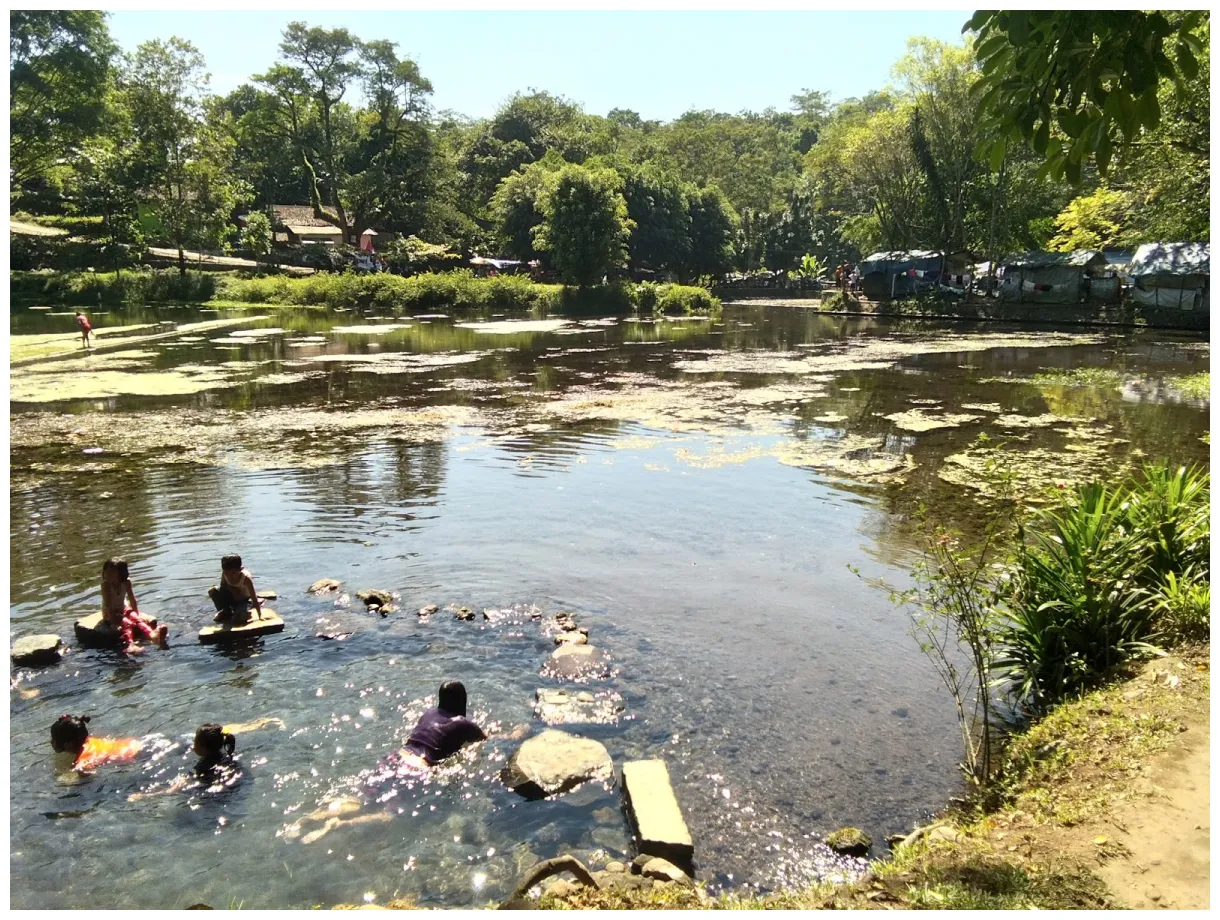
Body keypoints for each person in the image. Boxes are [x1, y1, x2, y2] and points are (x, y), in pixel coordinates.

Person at [127, 723, 242, 801]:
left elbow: (173, 790)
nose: (193, 744)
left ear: (202, 747)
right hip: (231, 788)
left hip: (211, 796)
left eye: (195, 741)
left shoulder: (202, 767)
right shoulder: (228, 756)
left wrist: (144, 796)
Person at [101, 558, 169, 650]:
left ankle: (153, 636)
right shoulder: (106, 585)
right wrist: (113, 621)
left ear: (121, 574)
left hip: (123, 608)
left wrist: (136, 613)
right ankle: (130, 645)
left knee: (137, 620)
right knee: (127, 623)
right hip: (110, 612)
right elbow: (108, 604)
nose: (107, 574)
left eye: (112, 572)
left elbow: (132, 598)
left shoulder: (126, 583)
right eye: (106, 571)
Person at [51, 714, 142, 772]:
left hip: (139, 757)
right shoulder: (91, 741)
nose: (51, 742)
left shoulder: (82, 761)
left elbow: (89, 779)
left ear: (69, 744)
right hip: (136, 745)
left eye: (54, 739)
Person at [208, 554, 262, 625]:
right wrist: (232, 589)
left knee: (240, 618)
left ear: (240, 569)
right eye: (227, 573)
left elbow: (254, 598)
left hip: (243, 600)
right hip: (231, 595)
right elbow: (223, 587)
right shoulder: (224, 573)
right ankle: (226, 610)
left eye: (233, 573)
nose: (230, 576)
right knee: (212, 590)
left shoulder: (246, 578)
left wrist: (260, 616)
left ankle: (241, 612)